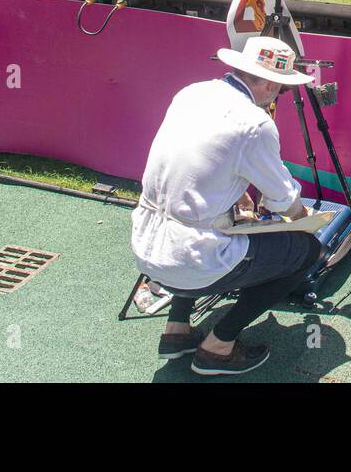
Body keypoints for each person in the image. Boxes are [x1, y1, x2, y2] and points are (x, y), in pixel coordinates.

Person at [131, 36, 321, 376]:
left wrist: (236, 193)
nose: (279, 97)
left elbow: (197, 164)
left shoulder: (192, 92)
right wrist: (302, 219)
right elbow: (283, 199)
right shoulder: (255, 123)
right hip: (189, 261)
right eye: (281, 89)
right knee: (305, 249)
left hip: (145, 246)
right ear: (269, 84)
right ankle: (219, 347)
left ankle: (177, 330)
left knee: (198, 224)